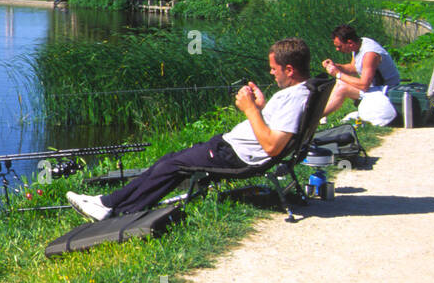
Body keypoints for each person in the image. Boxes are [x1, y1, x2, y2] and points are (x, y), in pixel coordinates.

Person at [67, 38, 313, 220]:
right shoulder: (298, 92)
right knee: (170, 160)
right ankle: (108, 203)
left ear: (289, 70)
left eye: (274, 68)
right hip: (230, 148)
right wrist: (260, 108)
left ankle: (118, 210)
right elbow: (277, 130)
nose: (271, 73)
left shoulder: (293, 98)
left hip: (237, 157)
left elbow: (272, 146)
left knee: (171, 166)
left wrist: (249, 110)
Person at [320, 24, 401, 124]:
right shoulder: (359, 44)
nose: (337, 49)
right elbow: (353, 67)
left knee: (342, 87)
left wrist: (338, 74)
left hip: (387, 91)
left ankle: (316, 117)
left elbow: (364, 85)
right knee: (340, 81)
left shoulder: (370, 54)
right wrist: (335, 66)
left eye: (339, 46)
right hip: (375, 88)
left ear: (350, 43)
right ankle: (320, 115)